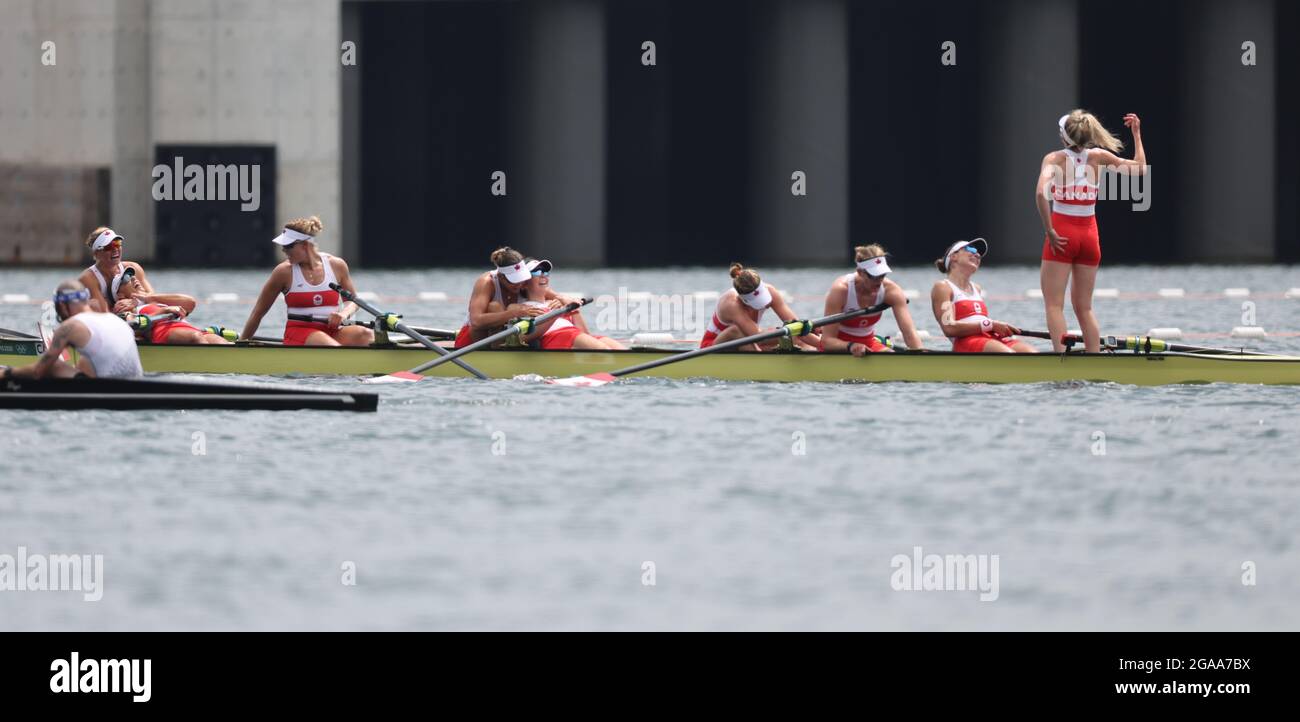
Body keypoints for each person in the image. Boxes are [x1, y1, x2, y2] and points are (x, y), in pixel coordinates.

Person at [1036, 109, 1146, 352]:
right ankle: (1094, 358)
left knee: (1054, 305)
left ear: (1065, 137)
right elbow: (1140, 169)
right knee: (1084, 308)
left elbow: (1040, 194)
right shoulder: (1098, 156)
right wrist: (1137, 135)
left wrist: (1050, 230)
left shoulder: (1054, 159)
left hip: (1062, 234)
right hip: (1089, 237)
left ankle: (1061, 359)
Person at [240, 216, 374, 346]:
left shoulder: (337, 265)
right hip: (299, 332)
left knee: (366, 334)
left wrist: (343, 314)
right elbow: (258, 313)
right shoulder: (283, 272)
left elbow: (353, 302)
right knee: (328, 345)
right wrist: (241, 343)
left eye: (288, 246)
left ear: (305, 245)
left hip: (332, 331)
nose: (284, 250)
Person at [0, 280, 142, 380]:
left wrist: (8, 373)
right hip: (135, 383)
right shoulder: (115, 319)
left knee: (54, 365)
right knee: (84, 361)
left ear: (62, 305)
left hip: (103, 387)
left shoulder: (69, 327)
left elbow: (38, 372)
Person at [930, 239, 1035, 353]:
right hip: (965, 341)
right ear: (954, 256)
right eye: (970, 249)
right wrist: (990, 325)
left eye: (978, 253)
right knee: (1008, 354)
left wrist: (995, 327)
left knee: (1032, 354)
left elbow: (982, 323)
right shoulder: (943, 287)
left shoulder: (977, 288)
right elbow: (949, 328)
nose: (977, 254)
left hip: (990, 337)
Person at [819, 244, 923, 355]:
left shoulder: (891, 291)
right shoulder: (841, 290)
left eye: (882, 275)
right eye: (873, 276)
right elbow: (827, 342)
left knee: (890, 355)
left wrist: (921, 358)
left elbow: (909, 333)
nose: (879, 281)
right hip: (838, 346)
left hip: (868, 343)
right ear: (860, 272)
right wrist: (850, 346)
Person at [454, 247, 567, 348]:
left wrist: (562, 299)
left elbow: (544, 290)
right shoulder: (486, 282)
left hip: (505, 338)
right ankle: (496, 355)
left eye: (522, 278)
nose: (520, 284)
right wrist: (514, 313)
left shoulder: (523, 281)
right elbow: (476, 321)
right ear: (501, 277)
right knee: (495, 306)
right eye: (514, 280)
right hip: (473, 342)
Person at [698, 263, 818, 351]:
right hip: (712, 347)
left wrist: (820, 342)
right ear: (742, 297)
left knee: (795, 334)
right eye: (755, 301)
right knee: (737, 331)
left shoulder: (770, 291)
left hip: (748, 341)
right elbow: (756, 337)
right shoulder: (731, 304)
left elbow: (795, 325)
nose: (764, 304)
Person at [517, 259, 624, 350]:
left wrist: (572, 308)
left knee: (620, 349)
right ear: (524, 284)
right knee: (605, 350)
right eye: (536, 272)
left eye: (545, 272)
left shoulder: (557, 302)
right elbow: (523, 338)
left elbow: (584, 333)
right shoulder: (521, 307)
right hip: (555, 337)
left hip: (574, 335)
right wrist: (556, 314)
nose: (543, 275)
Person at [112, 268, 231, 345]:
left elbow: (190, 303)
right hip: (163, 331)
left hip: (187, 327)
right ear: (120, 294)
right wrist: (164, 310)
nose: (134, 278)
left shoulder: (152, 300)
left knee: (220, 342)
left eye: (133, 276)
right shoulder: (123, 306)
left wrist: (150, 297)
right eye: (127, 278)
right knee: (196, 337)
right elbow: (130, 326)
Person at [77, 227, 157, 314]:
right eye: (108, 247)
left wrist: (135, 302)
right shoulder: (88, 278)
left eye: (117, 243)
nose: (115, 249)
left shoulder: (134, 268)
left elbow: (153, 297)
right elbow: (104, 312)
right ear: (96, 253)